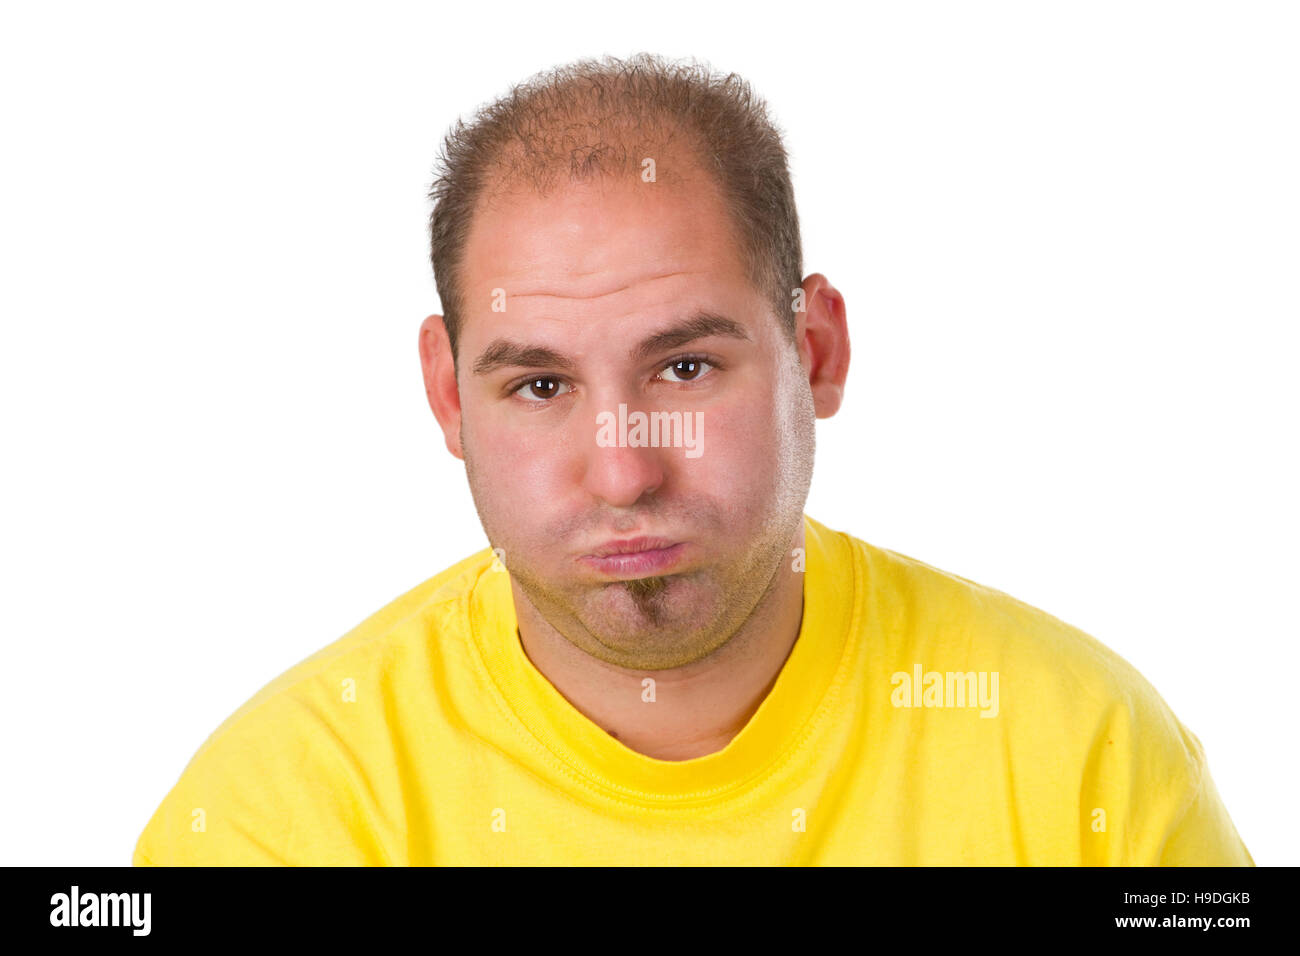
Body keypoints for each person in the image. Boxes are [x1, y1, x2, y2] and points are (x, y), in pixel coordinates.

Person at [133, 53, 1252, 866]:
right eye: (540, 385)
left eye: (683, 370)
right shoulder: (277, 820)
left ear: (814, 350)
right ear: (447, 394)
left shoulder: (1083, 758)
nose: (623, 474)